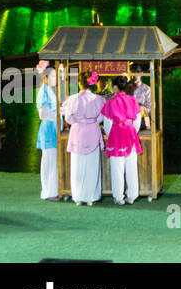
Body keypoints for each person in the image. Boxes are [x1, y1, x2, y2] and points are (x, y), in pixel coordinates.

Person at [61, 72, 105, 206]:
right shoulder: (98, 99)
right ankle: (91, 196)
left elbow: (68, 118)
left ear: (79, 83)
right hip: (92, 130)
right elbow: (101, 118)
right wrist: (91, 121)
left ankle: (78, 197)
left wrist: (77, 120)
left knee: (77, 166)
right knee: (92, 165)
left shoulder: (72, 99)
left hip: (77, 132)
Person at [101, 77, 143, 205]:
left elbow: (107, 124)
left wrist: (112, 133)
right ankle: (132, 196)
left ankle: (119, 197)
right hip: (130, 133)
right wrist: (131, 130)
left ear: (114, 87)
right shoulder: (133, 100)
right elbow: (137, 121)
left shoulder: (110, 102)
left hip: (116, 135)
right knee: (131, 166)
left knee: (117, 167)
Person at [35, 62, 59, 201]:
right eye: (53, 76)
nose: (56, 79)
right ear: (46, 77)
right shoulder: (43, 92)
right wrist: (58, 115)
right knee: (49, 161)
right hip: (48, 128)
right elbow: (42, 114)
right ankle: (49, 192)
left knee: (54, 161)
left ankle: (54, 189)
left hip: (54, 127)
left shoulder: (50, 91)